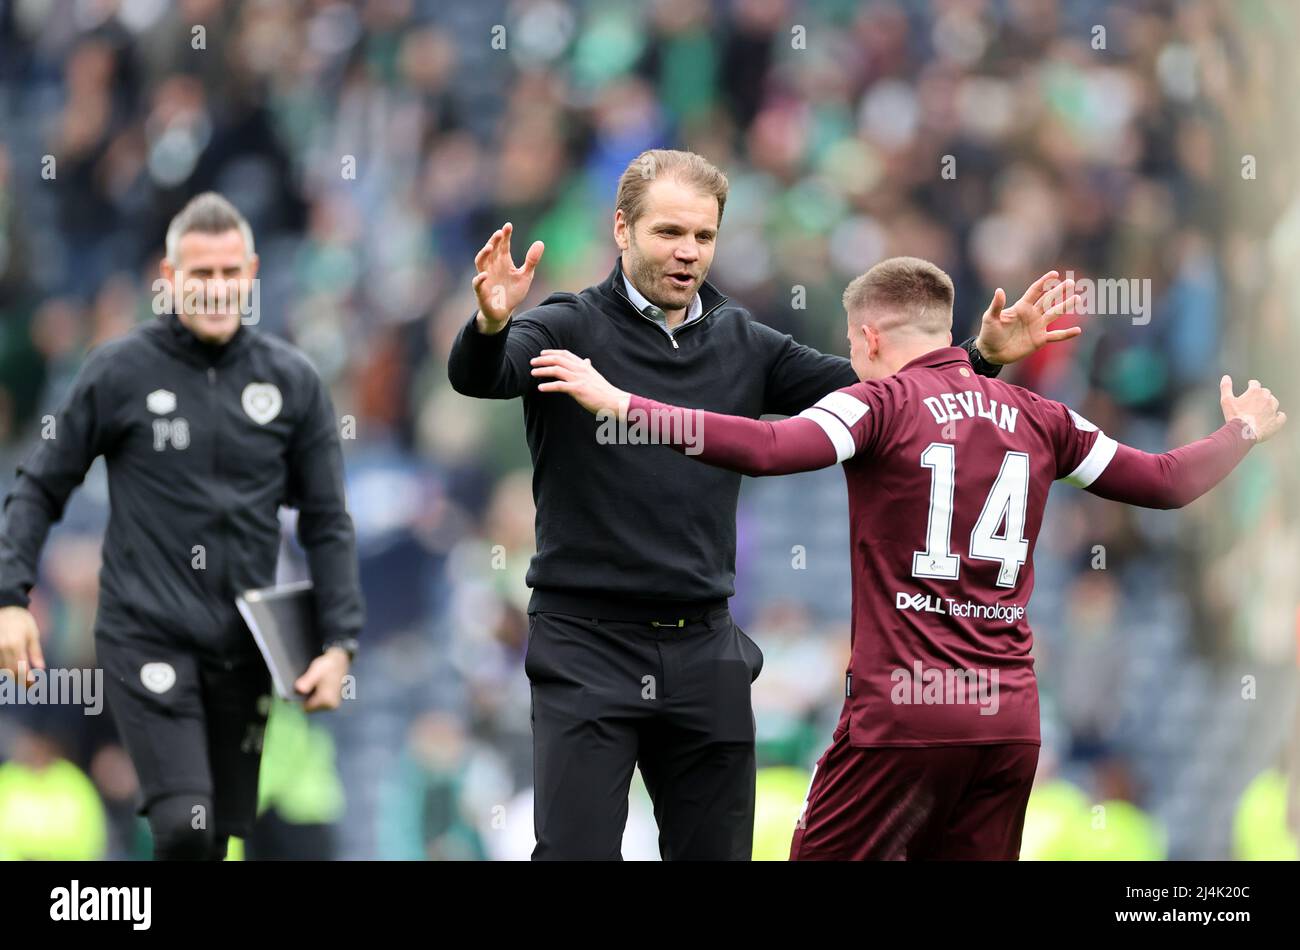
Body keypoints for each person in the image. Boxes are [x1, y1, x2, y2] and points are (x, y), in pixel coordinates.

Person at [531, 254, 1286, 860]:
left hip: (905, 715)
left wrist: (625, 404)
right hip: (1007, 722)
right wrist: (1240, 432)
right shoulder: (1043, 416)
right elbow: (1166, 481)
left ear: (865, 340)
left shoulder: (878, 402)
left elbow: (765, 446)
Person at [448, 149, 1080, 860]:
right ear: (620, 230)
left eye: (704, 236)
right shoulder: (567, 327)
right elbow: (483, 376)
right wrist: (492, 323)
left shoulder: (742, 342)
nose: (688, 252)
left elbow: (881, 398)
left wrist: (980, 358)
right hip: (586, 645)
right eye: (668, 233)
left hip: (702, 646)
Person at [0, 192, 364, 860]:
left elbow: (327, 523)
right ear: (168, 281)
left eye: (230, 274)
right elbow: (40, 485)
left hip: (244, 649)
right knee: (185, 826)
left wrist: (339, 642)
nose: (218, 289)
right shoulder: (119, 373)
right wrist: (9, 597)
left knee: (218, 838)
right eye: (201, 274)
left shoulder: (293, 384)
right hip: (148, 636)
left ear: (251, 275)